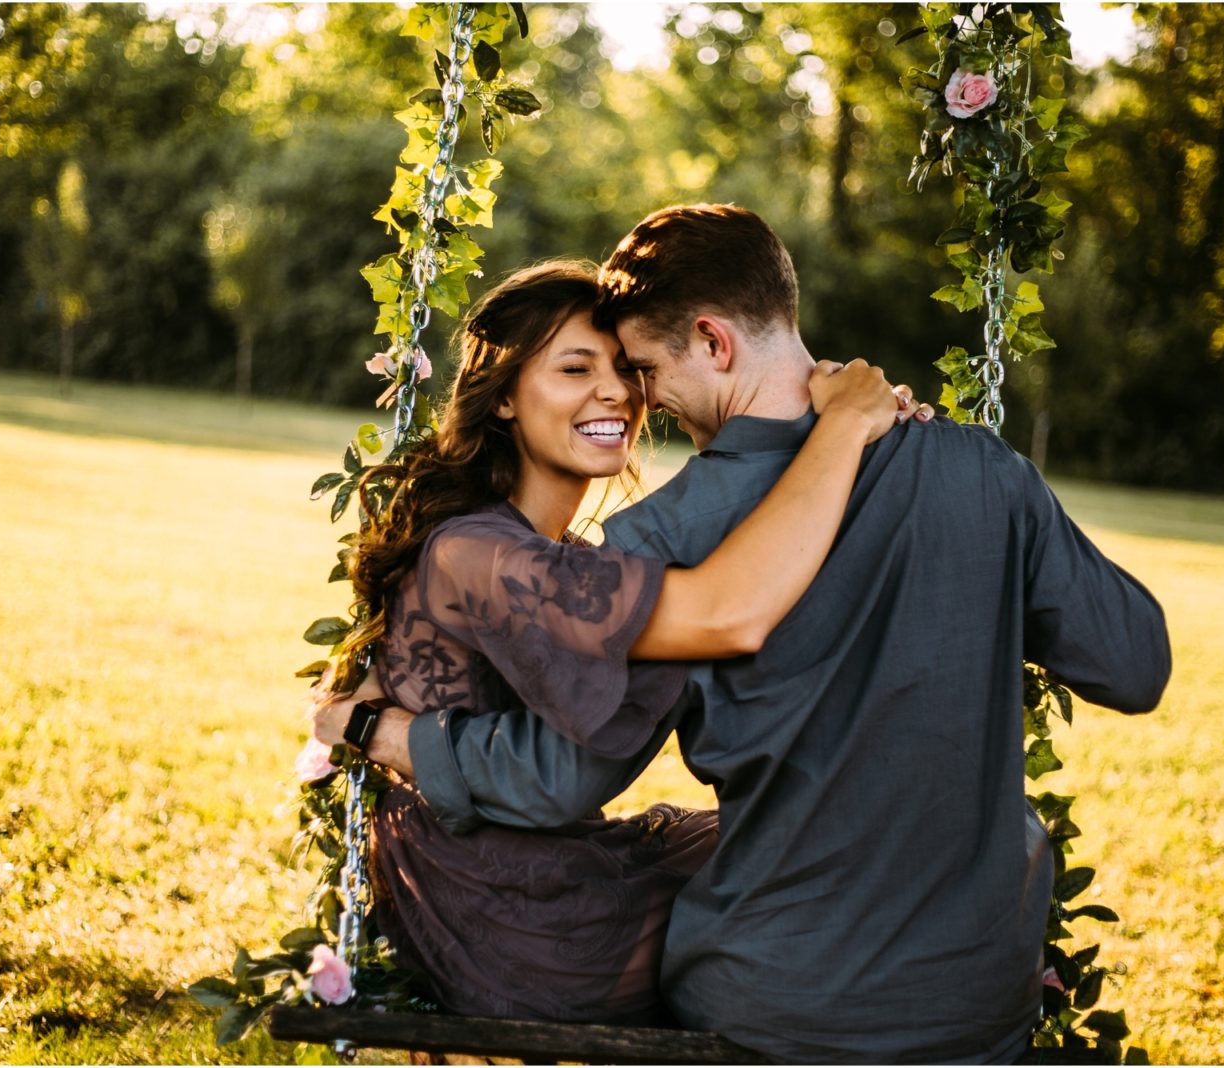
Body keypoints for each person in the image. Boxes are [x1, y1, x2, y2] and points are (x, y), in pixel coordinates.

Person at [316, 206, 1173, 1062]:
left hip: (779, 999)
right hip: (978, 998)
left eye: (645, 369)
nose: (644, 400)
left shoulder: (664, 539)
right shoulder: (978, 467)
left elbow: (561, 777)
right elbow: (1135, 666)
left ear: (713, 342)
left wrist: (383, 731)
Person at [314, 258, 930, 1025]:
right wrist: (840, 428)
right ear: (502, 396)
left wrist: (872, 444)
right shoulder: (482, 553)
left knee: (839, 850)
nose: (616, 393)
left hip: (528, 876)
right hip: (517, 922)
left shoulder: (550, 553)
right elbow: (715, 622)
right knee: (843, 875)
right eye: (576, 368)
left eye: (626, 369)